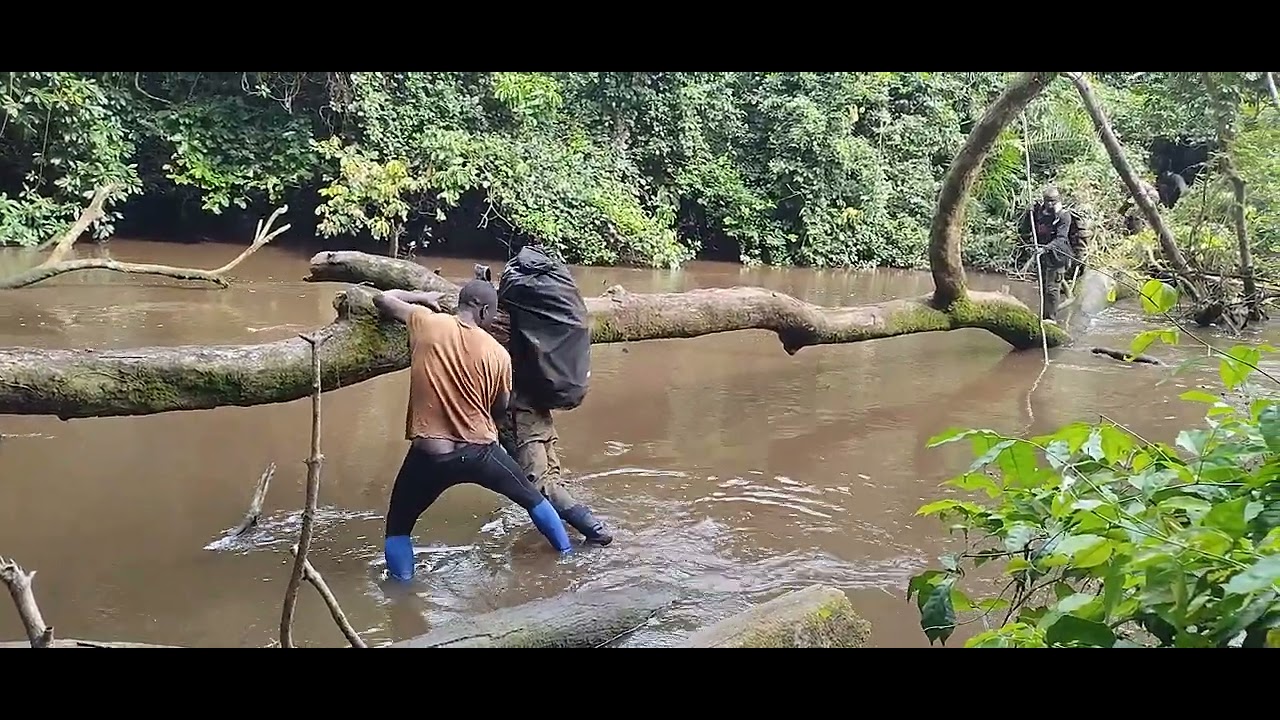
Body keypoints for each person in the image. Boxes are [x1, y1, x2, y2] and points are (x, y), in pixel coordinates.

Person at [372, 281, 573, 582]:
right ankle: (568, 558)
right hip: (479, 452)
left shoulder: (427, 322)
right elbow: (500, 409)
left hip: (429, 455)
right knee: (533, 499)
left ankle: (401, 595)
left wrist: (422, 297)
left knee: (398, 527)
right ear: (484, 310)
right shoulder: (498, 354)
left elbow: (382, 299)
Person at [498, 245, 614, 547]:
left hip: (522, 411)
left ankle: (594, 530)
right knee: (552, 476)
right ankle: (573, 529)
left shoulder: (507, 318)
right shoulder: (538, 316)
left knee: (539, 483)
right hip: (541, 401)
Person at [1030, 187, 1075, 324]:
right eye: (1047, 201)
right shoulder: (1038, 213)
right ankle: (1044, 316)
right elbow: (1026, 229)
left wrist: (1046, 249)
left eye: (1053, 201)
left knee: (1052, 289)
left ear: (1058, 200)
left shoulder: (1063, 215)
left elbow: (1061, 238)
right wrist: (1029, 213)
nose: (1050, 204)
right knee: (1043, 287)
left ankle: (1051, 319)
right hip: (1043, 257)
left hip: (1058, 257)